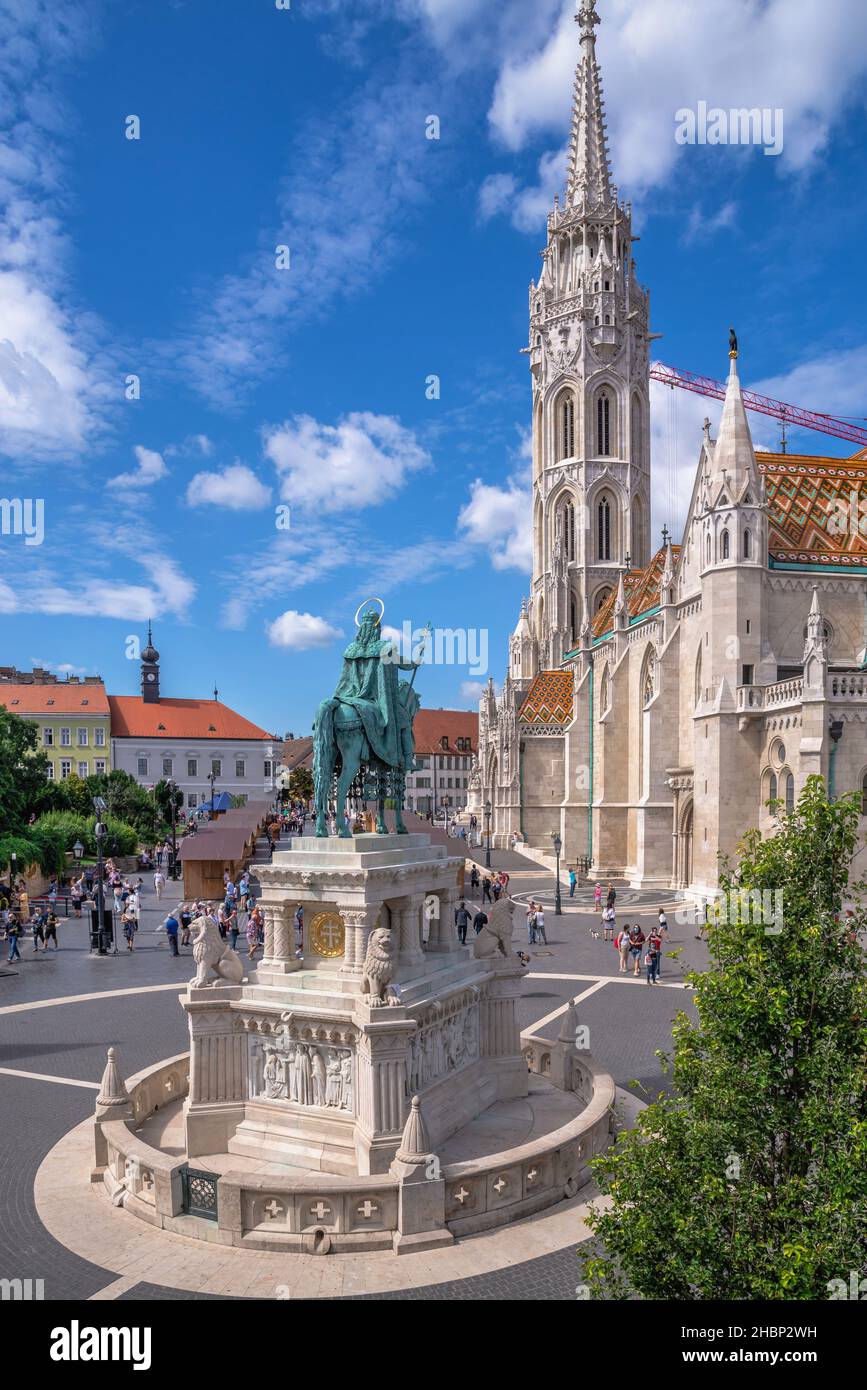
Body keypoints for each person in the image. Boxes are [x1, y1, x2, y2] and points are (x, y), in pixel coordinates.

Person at [656, 909, 669, 977]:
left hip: (662, 924)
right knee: (664, 932)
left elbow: (662, 920)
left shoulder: (661, 915)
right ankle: (668, 939)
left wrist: (660, 921)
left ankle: (658, 938)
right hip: (664, 924)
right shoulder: (663, 915)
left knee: (659, 932)